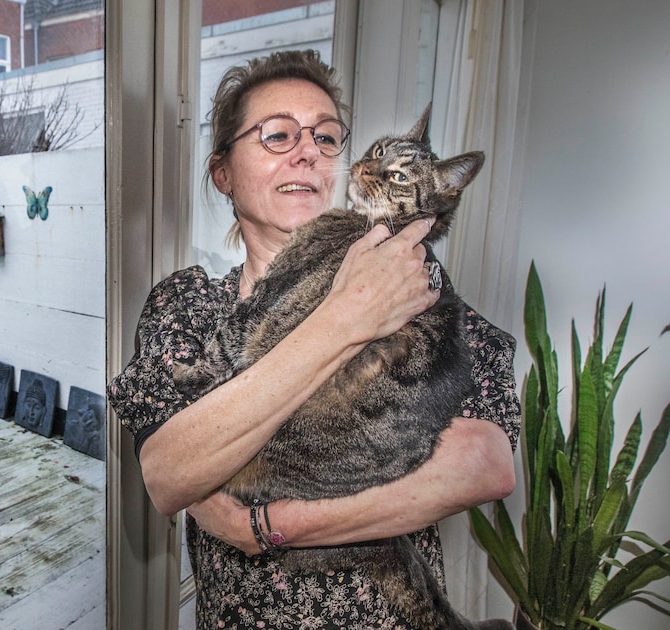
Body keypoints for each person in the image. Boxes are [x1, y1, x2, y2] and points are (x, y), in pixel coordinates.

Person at [107, 50, 519, 629]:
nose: (308, 151)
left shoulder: (408, 276)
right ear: (223, 172)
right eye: (277, 135)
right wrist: (344, 320)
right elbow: (170, 474)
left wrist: (266, 526)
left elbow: (484, 462)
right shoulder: (188, 302)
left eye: (326, 138)